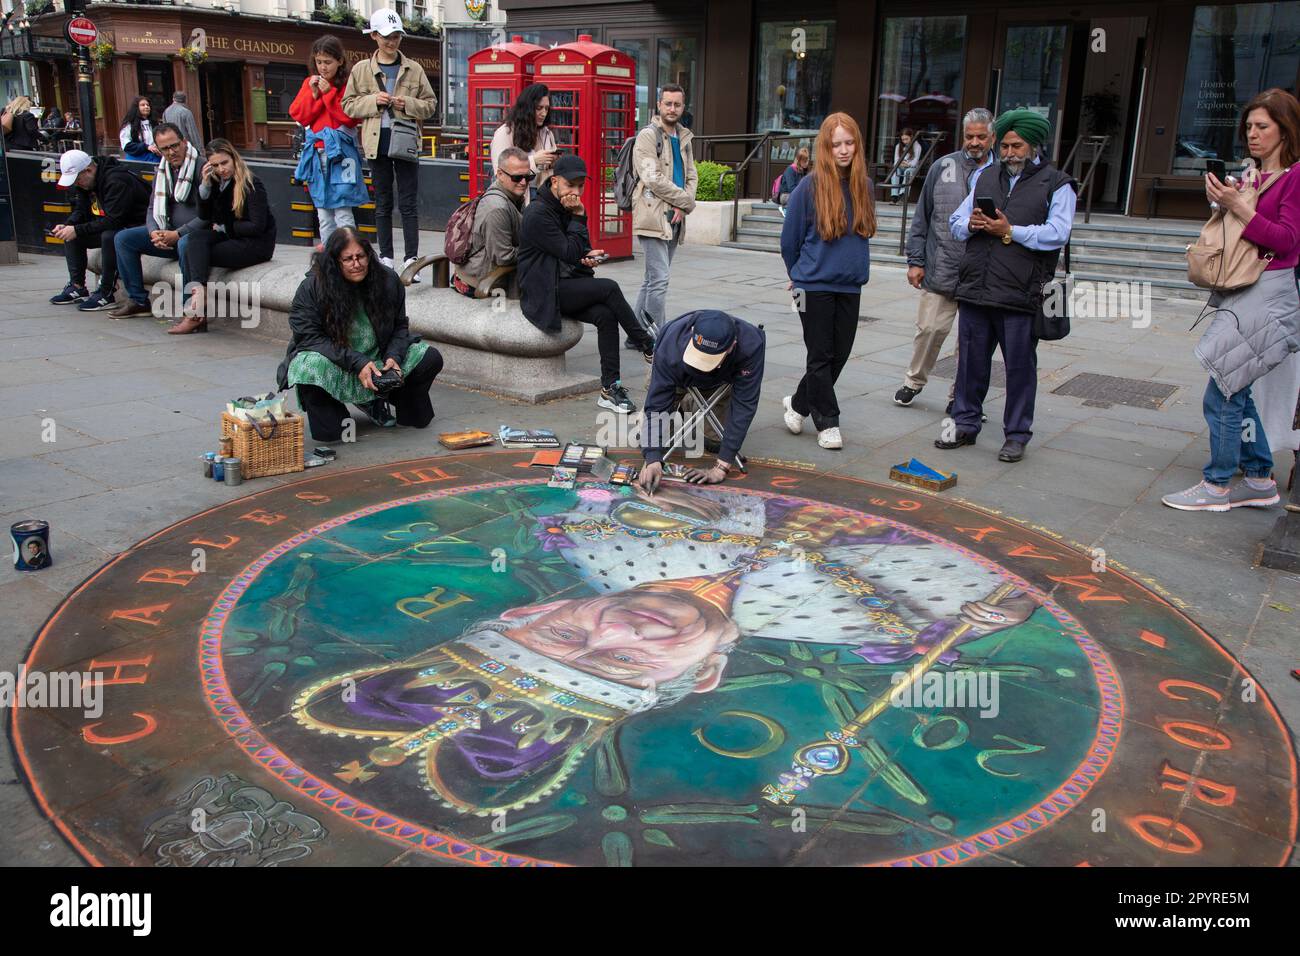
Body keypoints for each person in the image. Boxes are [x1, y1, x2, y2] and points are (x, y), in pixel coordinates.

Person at [1162, 88, 1300, 512]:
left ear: (1285, 129)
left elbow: (1287, 241)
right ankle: (1258, 479)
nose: (1252, 135)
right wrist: (1225, 202)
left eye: (1262, 126)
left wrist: (1238, 206)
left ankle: (1218, 485)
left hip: (1270, 292)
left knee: (1222, 390)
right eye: (1249, 127)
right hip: (1247, 291)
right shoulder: (1254, 175)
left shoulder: (1295, 176)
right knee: (1233, 387)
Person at [938, 108, 1076, 464]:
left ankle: (1016, 435)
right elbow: (955, 223)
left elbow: (1057, 233)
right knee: (969, 364)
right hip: (976, 287)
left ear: (1034, 146)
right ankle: (964, 424)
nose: (1010, 153)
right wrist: (970, 224)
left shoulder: (1057, 184)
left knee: (1018, 368)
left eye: (1017, 146)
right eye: (1006, 146)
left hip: (1020, 292)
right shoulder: (985, 177)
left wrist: (1010, 231)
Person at [276, 226, 444, 443]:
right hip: (337, 362)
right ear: (336, 261)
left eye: (361, 257)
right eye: (348, 259)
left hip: (378, 359)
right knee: (308, 374)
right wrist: (357, 362)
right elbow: (309, 337)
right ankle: (344, 408)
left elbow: (400, 327)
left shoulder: (388, 280)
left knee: (429, 358)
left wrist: (394, 357)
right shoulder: (312, 288)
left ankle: (383, 400)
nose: (356, 264)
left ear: (369, 256)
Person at [518, 154, 656, 415]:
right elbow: (568, 251)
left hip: (563, 282)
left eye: (581, 186)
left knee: (605, 315)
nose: (576, 191)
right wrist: (579, 218)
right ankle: (647, 345)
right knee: (609, 287)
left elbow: (573, 251)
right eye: (571, 185)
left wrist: (586, 258)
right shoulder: (539, 213)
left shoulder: (561, 207)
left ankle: (610, 388)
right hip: (544, 292)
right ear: (555, 181)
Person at [779, 112, 875, 450]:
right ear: (826, 147)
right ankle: (828, 422)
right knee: (819, 355)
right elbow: (789, 241)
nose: (844, 150)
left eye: (849, 143)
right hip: (812, 286)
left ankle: (799, 403)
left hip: (849, 285)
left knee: (839, 354)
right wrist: (798, 275)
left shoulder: (864, 185)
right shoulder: (809, 186)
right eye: (837, 144)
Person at [894, 108, 995, 410]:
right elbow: (922, 216)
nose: (974, 142)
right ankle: (914, 380)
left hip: (982, 273)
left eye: (981, 136)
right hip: (942, 265)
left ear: (992, 137)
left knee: (972, 341)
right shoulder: (943, 165)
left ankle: (960, 396)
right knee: (929, 330)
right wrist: (915, 260)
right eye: (969, 136)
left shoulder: (1001, 173)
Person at [343, 9, 437, 281]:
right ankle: (385, 257)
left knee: (408, 202)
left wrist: (407, 103)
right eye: (386, 37)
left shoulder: (415, 69)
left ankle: (411, 258)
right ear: (373, 36)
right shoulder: (361, 69)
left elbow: (431, 106)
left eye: (396, 36)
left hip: (406, 138)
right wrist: (375, 101)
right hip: (377, 141)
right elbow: (348, 105)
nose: (392, 42)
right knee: (382, 202)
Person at [636, 310, 766, 491]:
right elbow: (658, 401)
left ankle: (689, 405)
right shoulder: (671, 341)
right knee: (648, 438)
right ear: (692, 333)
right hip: (674, 377)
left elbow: (744, 404)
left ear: (731, 347)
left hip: (718, 382)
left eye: (708, 359)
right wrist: (652, 458)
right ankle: (678, 404)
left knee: (716, 442)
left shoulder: (750, 345)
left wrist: (721, 467)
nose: (701, 364)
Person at [164, 138, 278, 334]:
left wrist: (227, 228)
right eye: (215, 165)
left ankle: (195, 313)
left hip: (255, 245)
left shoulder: (251, 183)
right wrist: (205, 188)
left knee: (195, 251)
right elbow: (205, 217)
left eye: (224, 163)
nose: (221, 169)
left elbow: (257, 226)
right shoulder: (217, 183)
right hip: (231, 238)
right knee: (191, 240)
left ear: (234, 158)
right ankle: (199, 292)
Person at [109, 122, 208, 319]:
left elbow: (209, 216)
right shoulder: (162, 170)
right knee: (123, 239)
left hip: (192, 235)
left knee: (185, 245)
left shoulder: (201, 167)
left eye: (175, 145)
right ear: (158, 149)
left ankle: (190, 312)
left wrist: (178, 233)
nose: (171, 152)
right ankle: (137, 300)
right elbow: (153, 207)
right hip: (167, 232)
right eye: (165, 148)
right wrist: (154, 230)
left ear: (184, 142)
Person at [631, 84, 697, 338]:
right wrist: (683, 202)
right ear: (659, 105)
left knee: (651, 278)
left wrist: (684, 202)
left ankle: (635, 333)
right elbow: (652, 177)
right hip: (653, 213)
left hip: (676, 216)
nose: (672, 108)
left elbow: (692, 174)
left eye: (677, 104)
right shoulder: (648, 136)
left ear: (683, 106)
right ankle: (659, 338)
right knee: (660, 279)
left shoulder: (684, 136)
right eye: (667, 103)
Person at [48, 149, 150, 312]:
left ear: (89, 170)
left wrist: (77, 230)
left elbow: (115, 220)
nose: (76, 184)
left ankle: (106, 292)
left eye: (77, 179)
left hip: (138, 225)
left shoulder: (116, 180)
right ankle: (77, 286)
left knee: (110, 237)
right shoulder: (86, 182)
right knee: (72, 234)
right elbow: (81, 211)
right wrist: (69, 225)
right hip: (115, 223)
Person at [292, 34, 368, 249]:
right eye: (319, 62)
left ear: (340, 61)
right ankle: (329, 257)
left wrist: (328, 94)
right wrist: (315, 95)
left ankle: (349, 252)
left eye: (328, 62)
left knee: (343, 210)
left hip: (341, 154)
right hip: (317, 153)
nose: (323, 67)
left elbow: (349, 117)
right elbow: (300, 115)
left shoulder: (347, 84)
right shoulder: (310, 83)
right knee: (323, 213)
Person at [454, 146, 528, 296]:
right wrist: (536, 249)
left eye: (528, 176)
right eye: (517, 177)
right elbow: (503, 257)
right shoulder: (497, 208)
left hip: (485, 275)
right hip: (482, 283)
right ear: (500, 174)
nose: (524, 182)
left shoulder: (512, 195)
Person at [489, 83, 557, 204]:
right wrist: (534, 160)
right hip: (517, 197)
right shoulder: (505, 133)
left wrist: (554, 161)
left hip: (544, 195)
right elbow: (500, 171)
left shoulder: (547, 133)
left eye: (547, 108)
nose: (544, 113)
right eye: (539, 108)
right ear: (527, 108)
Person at [119, 96, 158, 160]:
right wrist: (146, 147)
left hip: (154, 157)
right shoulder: (129, 125)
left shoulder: (154, 123)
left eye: (148, 105)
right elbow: (126, 145)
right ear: (136, 108)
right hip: (136, 158)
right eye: (143, 105)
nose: (146, 107)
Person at [889, 128, 922, 202]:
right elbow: (896, 161)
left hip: (911, 167)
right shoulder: (898, 146)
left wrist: (907, 164)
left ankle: (903, 194)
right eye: (903, 139)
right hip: (900, 166)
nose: (905, 141)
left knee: (908, 171)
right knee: (895, 171)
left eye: (906, 139)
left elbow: (915, 162)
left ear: (911, 136)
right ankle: (894, 195)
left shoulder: (917, 146)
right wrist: (901, 164)